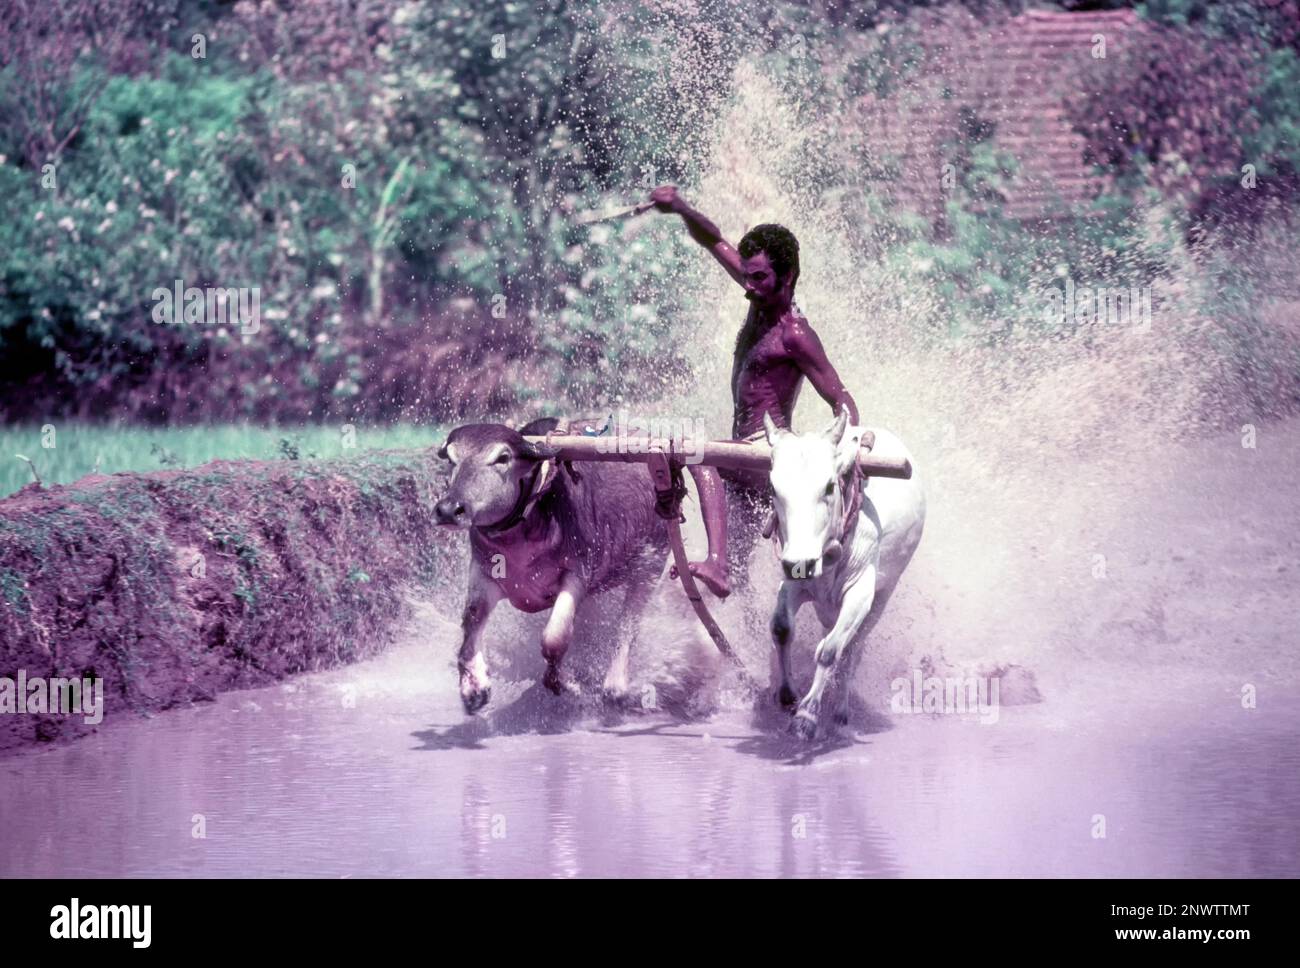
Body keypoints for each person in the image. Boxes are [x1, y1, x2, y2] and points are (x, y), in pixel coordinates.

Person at [651, 184, 860, 592]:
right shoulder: (756, 296)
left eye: (759, 277)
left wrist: (848, 449)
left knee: (698, 453)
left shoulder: (795, 334)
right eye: (746, 277)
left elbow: (841, 399)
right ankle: (746, 620)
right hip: (743, 461)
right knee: (745, 588)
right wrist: (680, 207)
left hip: (766, 456)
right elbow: (713, 241)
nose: (748, 286)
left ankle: (716, 562)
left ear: (789, 276)